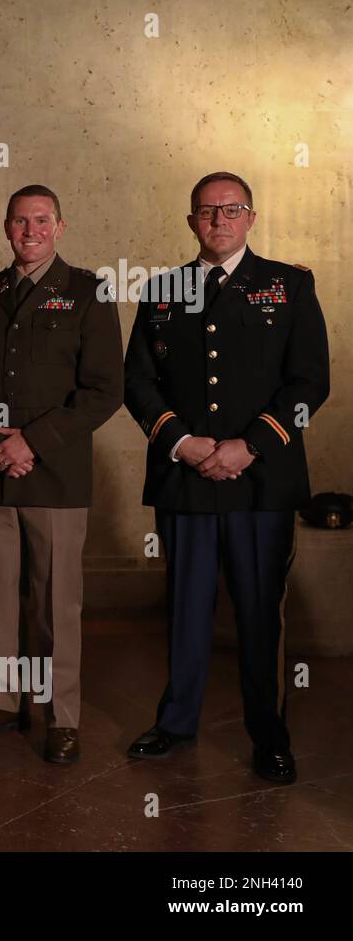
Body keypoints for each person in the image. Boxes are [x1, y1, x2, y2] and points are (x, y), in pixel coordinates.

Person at [123, 171, 329, 784]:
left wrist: (252, 445)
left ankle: (268, 735)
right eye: (207, 211)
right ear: (191, 221)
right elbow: (138, 382)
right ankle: (177, 722)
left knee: (259, 612)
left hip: (259, 482)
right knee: (185, 607)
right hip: (185, 476)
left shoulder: (289, 286)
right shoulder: (163, 291)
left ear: (251, 218)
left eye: (231, 209)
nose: (219, 220)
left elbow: (309, 384)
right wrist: (181, 443)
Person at [0, 185, 123, 762]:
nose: (30, 230)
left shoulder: (88, 293)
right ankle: (2, 702)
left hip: (54, 472)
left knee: (55, 602)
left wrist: (32, 442)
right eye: (20, 221)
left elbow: (105, 390)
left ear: (60, 226)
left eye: (41, 220)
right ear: (5, 228)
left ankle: (58, 715)